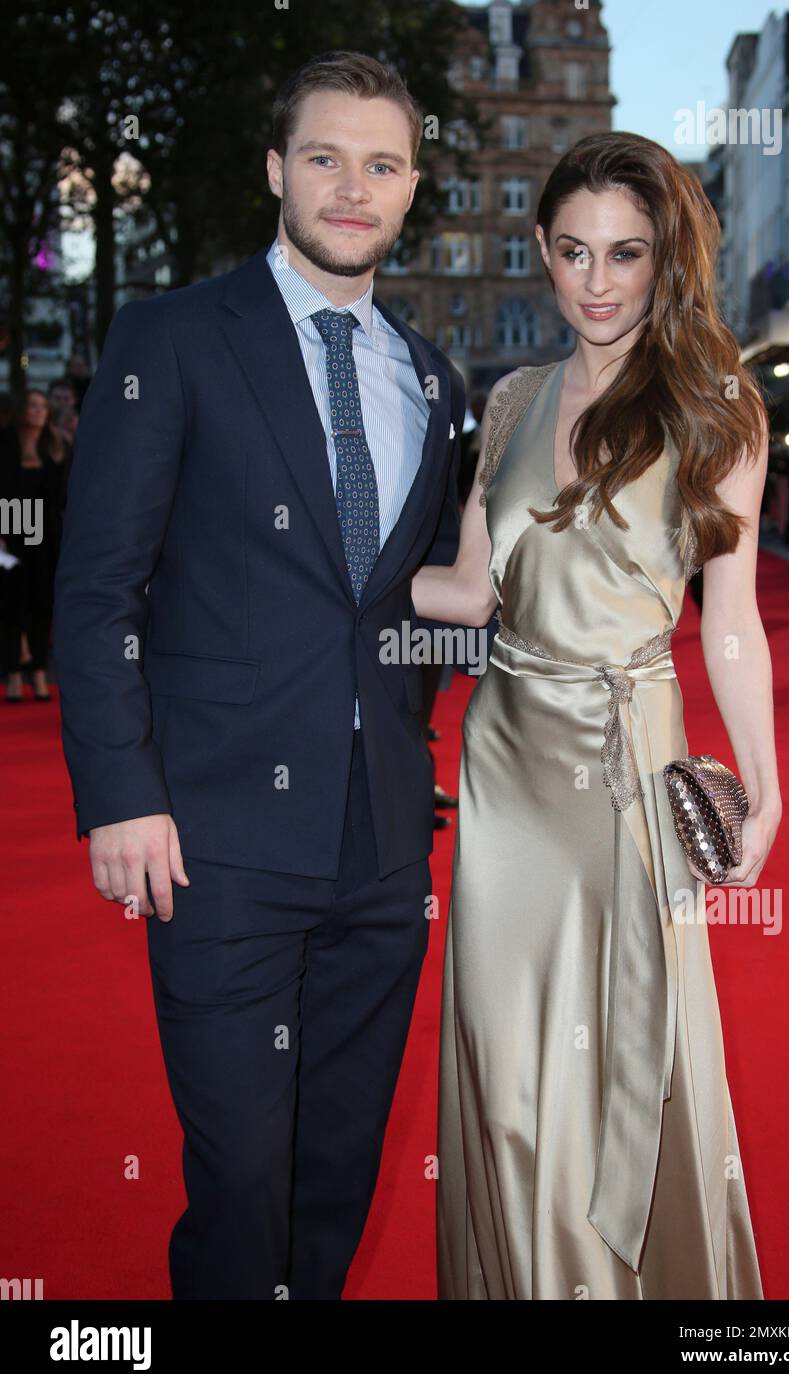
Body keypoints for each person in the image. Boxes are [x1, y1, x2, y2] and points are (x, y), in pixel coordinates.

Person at [52, 50, 463, 1300]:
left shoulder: (431, 380)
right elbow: (96, 586)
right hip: (215, 840)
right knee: (241, 1172)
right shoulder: (171, 337)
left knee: (335, 1168)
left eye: (381, 164)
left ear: (408, 189)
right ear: (278, 171)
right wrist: (121, 790)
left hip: (383, 850)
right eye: (327, 157)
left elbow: (414, 608)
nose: (353, 187)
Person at [412, 132, 781, 1300]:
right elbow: (469, 590)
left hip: (625, 762)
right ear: (539, 250)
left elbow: (728, 616)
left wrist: (762, 782)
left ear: (662, 255)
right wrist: (298, 569)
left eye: (624, 252)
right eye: (572, 251)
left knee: (623, 1052)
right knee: (507, 1068)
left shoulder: (713, 406)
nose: (597, 280)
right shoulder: (512, 397)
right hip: (504, 761)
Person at [0, 388, 69, 701]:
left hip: (46, 533)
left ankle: (39, 671)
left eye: (43, 407)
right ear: (21, 410)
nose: (38, 411)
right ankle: (13, 674)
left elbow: (64, 495)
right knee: (10, 604)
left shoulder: (55, 446)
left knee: (42, 605)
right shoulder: (4, 443)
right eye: (32, 405)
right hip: (10, 527)